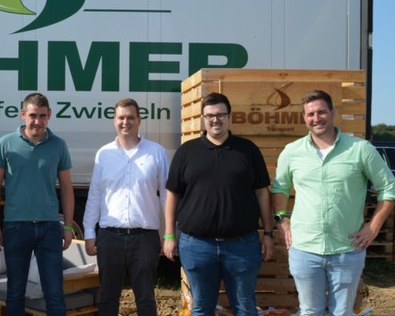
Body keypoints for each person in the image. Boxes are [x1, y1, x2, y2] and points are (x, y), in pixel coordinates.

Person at [271, 90, 395, 316]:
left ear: (333, 112)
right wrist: (282, 220)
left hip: (347, 249)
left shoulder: (360, 149)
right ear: (304, 117)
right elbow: (279, 188)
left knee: (342, 312)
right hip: (304, 248)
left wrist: (374, 226)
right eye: (310, 114)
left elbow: (389, 188)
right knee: (310, 311)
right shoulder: (292, 151)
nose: (316, 118)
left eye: (321, 112)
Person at [164, 92, 274, 316]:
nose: (215, 120)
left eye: (221, 115)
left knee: (245, 308)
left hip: (242, 245)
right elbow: (172, 194)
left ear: (229, 117)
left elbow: (262, 192)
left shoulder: (248, 150)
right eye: (210, 116)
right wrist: (169, 235)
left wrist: (269, 233)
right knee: (202, 308)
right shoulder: (187, 151)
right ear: (203, 119)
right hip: (196, 246)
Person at [0, 93, 74, 316]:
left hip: (49, 227)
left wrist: (67, 227)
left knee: (54, 293)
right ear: (23, 114)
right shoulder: (6, 143)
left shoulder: (59, 145)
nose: (37, 121)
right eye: (33, 115)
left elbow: (67, 188)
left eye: (42, 116)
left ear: (49, 115)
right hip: (16, 227)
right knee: (15, 291)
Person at [83, 98, 170, 316]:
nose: (125, 122)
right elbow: (95, 195)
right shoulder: (104, 154)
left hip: (145, 238)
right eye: (121, 118)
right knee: (107, 299)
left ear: (139, 120)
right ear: (114, 121)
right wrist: (89, 232)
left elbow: (166, 196)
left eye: (131, 117)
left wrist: (168, 233)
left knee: (146, 299)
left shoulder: (156, 152)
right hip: (109, 237)